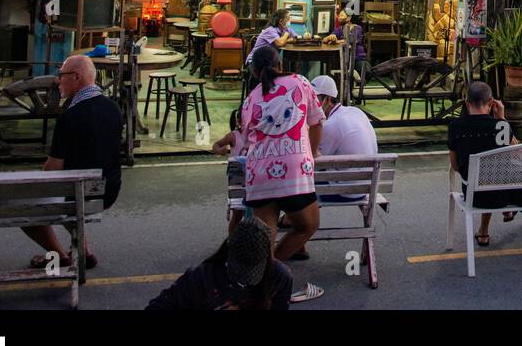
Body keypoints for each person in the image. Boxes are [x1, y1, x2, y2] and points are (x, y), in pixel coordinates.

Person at [238, 45, 325, 302]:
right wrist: (312, 153)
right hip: (295, 172)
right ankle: (269, 273)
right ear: (280, 63)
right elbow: (316, 122)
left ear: (255, 72)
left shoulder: (250, 100)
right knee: (308, 225)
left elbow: (245, 139)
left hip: (259, 176)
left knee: (265, 237)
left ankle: (261, 283)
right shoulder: (300, 83)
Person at [23, 54, 122, 271]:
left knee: (27, 206)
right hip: (107, 193)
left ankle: (59, 256)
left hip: (76, 196)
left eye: (61, 75)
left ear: (76, 77)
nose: (58, 80)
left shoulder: (70, 117)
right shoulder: (114, 109)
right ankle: (83, 250)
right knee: (72, 193)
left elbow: (52, 171)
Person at [146, 216, 292, 310]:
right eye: (240, 268)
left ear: (268, 257)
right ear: (228, 250)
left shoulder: (280, 277)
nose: (244, 280)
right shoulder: (201, 277)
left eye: (252, 269)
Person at [447, 81, 522, 247]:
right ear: (491, 103)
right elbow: (517, 154)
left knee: (484, 177)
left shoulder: (455, 127)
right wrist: (501, 118)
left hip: (472, 195)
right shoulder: (500, 126)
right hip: (500, 196)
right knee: (495, 174)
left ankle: (484, 231)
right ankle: (502, 215)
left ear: (467, 103)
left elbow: (455, 166)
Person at [312, 74, 378, 203]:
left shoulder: (331, 125)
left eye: (315, 99)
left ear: (327, 99)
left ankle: (296, 215)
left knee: (300, 185)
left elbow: (316, 162)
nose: (311, 103)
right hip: (366, 187)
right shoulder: (355, 111)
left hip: (345, 192)